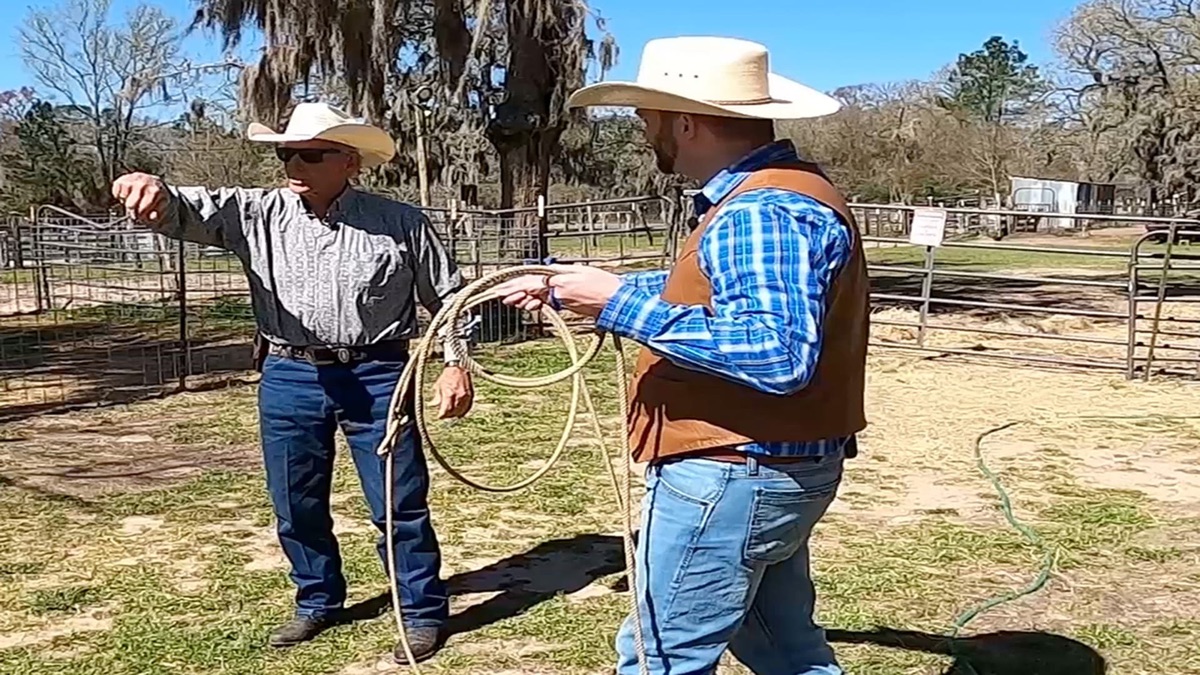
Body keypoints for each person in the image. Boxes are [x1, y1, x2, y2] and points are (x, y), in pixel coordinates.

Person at [495, 37, 868, 675]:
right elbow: (717, 296)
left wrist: (617, 305)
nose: (645, 133)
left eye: (648, 118)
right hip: (771, 468)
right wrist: (581, 285)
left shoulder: (761, 211)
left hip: (733, 472)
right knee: (784, 649)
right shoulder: (779, 194)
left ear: (686, 122)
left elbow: (775, 352)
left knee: (658, 660)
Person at [111, 102, 473, 664]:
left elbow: (449, 298)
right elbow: (185, 208)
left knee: (397, 501)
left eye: (309, 153)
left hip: (378, 372)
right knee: (295, 500)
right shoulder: (254, 213)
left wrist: (455, 362)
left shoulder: (400, 222)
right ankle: (317, 599)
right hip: (290, 373)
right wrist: (152, 187)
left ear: (349, 162)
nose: (292, 164)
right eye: (286, 153)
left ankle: (421, 611)